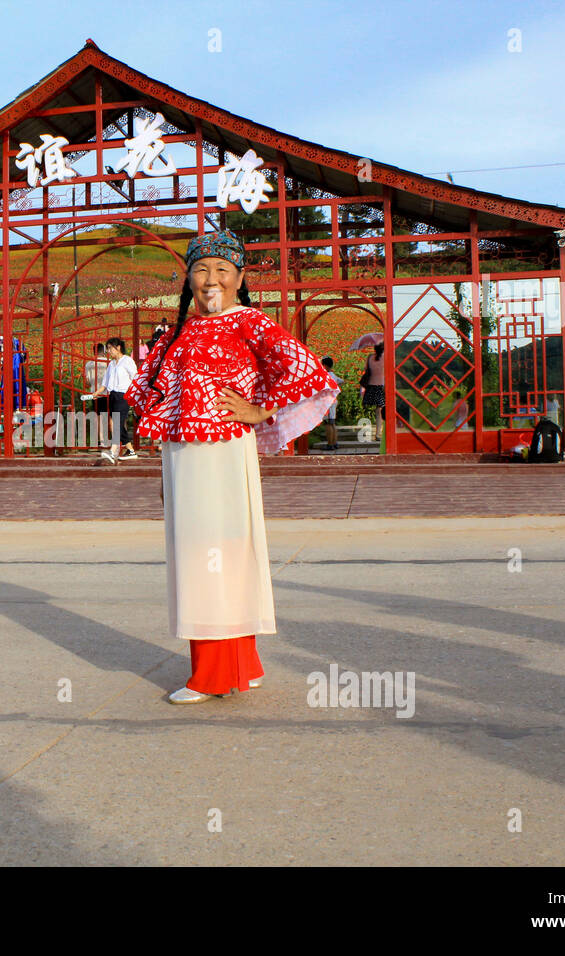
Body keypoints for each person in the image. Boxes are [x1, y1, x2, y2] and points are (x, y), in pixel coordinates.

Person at [125, 229, 340, 704]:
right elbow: (151, 394)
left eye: (222, 269)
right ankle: (243, 663)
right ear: (187, 279)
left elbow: (306, 368)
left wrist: (260, 410)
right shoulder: (177, 333)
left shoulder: (250, 322)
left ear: (240, 277)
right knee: (211, 550)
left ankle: (213, 674)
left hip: (221, 452)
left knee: (210, 555)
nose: (210, 279)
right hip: (184, 457)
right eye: (200, 269)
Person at [87, 337, 138, 464]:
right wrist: (96, 393)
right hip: (113, 395)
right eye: (108, 348)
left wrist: (135, 395)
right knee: (117, 423)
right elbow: (105, 383)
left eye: (110, 348)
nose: (109, 351)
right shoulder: (111, 364)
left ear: (118, 347)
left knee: (117, 423)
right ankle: (131, 451)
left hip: (124, 395)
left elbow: (136, 378)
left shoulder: (127, 361)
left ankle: (113, 450)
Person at [361, 342, 385, 442]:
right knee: (381, 411)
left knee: (377, 411)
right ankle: (379, 433)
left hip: (371, 386)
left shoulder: (370, 357)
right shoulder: (385, 357)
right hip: (382, 386)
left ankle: (378, 433)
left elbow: (365, 369)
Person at [320, 356, 344, 450]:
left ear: (324, 366)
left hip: (327, 401)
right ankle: (335, 442)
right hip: (334, 401)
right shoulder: (333, 375)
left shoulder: (325, 375)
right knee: (333, 423)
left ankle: (330, 444)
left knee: (328, 424)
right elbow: (342, 381)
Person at [82, 343, 108, 415]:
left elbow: (87, 383)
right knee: (112, 418)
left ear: (94, 351)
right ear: (103, 351)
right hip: (108, 394)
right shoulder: (109, 362)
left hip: (95, 394)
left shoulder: (88, 364)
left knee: (99, 418)